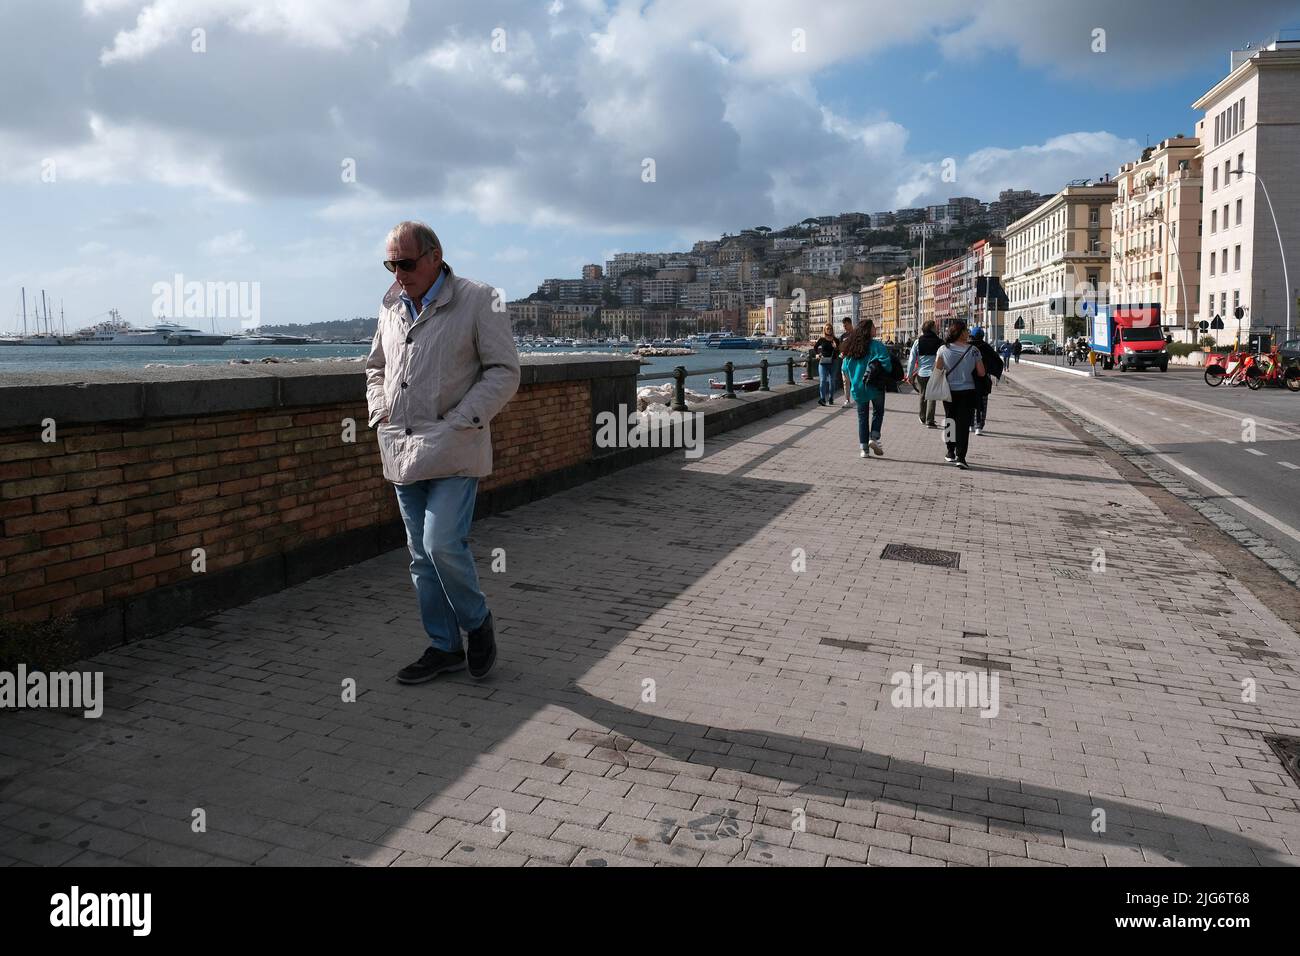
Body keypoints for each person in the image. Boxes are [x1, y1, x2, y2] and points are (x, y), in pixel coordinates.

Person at [366, 220, 521, 684]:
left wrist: (462, 422)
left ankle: (476, 623)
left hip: (454, 448)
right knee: (419, 556)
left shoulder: (478, 298)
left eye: (407, 263)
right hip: (401, 446)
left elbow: (504, 371)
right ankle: (444, 645)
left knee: (441, 544)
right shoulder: (391, 303)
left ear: (436, 256)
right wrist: (379, 412)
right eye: (391, 264)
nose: (399, 274)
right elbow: (376, 366)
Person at [933, 319, 986, 469]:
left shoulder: (943, 349)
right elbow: (981, 373)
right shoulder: (974, 350)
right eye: (966, 330)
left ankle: (950, 451)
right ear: (961, 332)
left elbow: (937, 370)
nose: (968, 332)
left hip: (948, 391)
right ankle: (961, 457)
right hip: (967, 392)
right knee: (963, 425)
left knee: (950, 420)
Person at [840, 319, 892, 458]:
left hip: (858, 387)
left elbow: (844, 368)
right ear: (868, 330)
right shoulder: (877, 346)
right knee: (878, 412)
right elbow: (887, 365)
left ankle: (864, 449)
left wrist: (854, 379)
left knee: (862, 417)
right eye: (874, 327)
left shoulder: (851, 347)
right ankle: (873, 438)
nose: (875, 329)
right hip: (875, 385)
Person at [907, 320, 942, 428]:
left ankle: (922, 417)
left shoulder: (918, 341)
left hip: (921, 373)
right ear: (931, 328)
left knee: (922, 395)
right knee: (932, 397)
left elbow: (912, 359)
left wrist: (909, 375)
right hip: (934, 373)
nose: (937, 328)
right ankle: (930, 420)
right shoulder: (939, 342)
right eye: (935, 327)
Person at [969, 327, 1003, 435]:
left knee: (970, 403)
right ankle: (979, 426)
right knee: (982, 403)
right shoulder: (987, 347)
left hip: (969, 379)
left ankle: (971, 424)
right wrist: (996, 374)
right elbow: (997, 361)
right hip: (983, 379)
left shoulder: (968, 346)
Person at [814, 324, 839, 406]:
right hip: (823, 362)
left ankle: (831, 398)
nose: (829, 330)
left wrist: (835, 347)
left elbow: (838, 352)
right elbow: (815, 348)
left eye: (830, 328)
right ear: (824, 330)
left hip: (833, 362)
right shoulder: (821, 339)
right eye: (827, 328)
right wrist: (817, 354)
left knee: (832, 381)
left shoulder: (836, 340)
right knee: (822, 380)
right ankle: (822, 399)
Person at [838, 316, 855, 407]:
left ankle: (858, 398)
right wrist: (841, 353)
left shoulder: (856, 335)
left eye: (846, 325)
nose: (844, 327)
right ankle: (847, 400)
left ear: (850, 324)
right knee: (845, 381)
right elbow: (840, 349)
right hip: (845, 361)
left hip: (855, 361)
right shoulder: (843, 337)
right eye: (843, 326)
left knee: (855, 380)